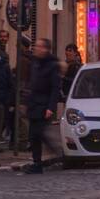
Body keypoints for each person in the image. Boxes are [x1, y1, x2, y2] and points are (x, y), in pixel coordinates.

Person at [22, 39, 63, 174]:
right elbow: (30, 82)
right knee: (35, 135)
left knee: (38, 133)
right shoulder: (35, 63)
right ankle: (43, 160)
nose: (36, 49)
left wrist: (51, 107)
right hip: (33, 103)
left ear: (46, 49)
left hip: (44, 104)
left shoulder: (52, 66)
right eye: (36, 46)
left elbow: (55, 88)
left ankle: (44, 160)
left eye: (39, 47)